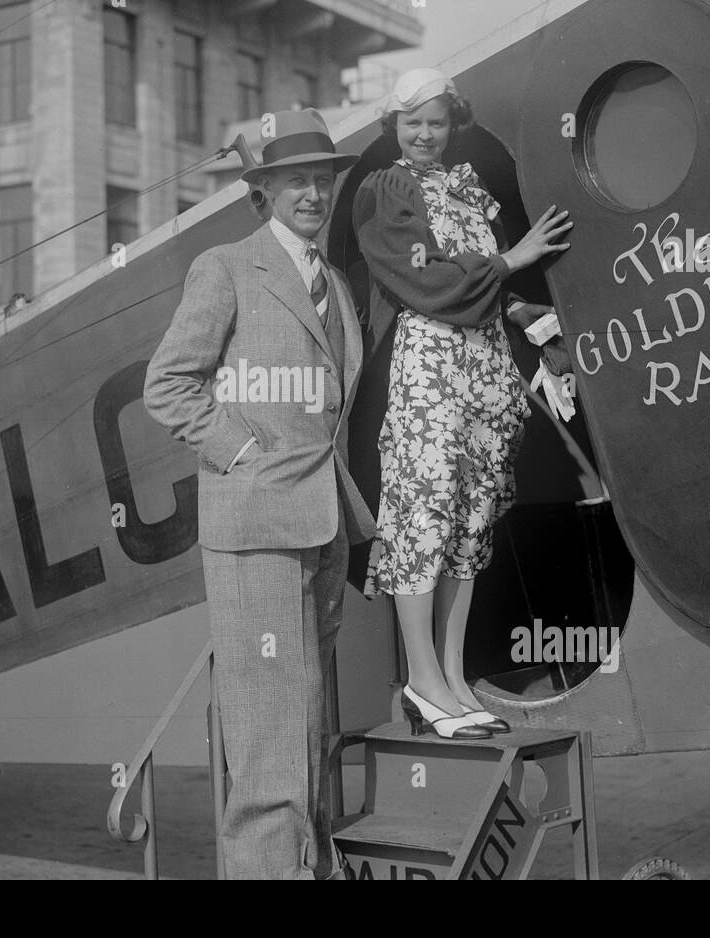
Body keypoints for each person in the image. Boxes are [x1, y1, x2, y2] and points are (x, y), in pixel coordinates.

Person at [143, 109, 375, 879]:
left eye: (322, 178)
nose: (312, 192)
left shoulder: (333, 282)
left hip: (321, 522)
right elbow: (168, 386)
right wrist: (241, 451)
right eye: (294, 180)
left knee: (307, 712)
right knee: (267, 725)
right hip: (254, 525)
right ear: (264, 189)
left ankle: (310, 864)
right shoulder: (226, 267)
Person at [353, 68, 572, 740]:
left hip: (484, 370)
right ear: (394, 125)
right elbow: (426, 283)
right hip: (430, 369)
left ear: (454, 124)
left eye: (437, 121)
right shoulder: (385, 189)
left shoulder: (467, 190)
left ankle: (451, 677)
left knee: (469, 526)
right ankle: (421, 679)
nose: (424, 134)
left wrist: (525, 307)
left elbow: (476, 288)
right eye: (412, 121)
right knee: (423, 515)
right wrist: (512, 260)